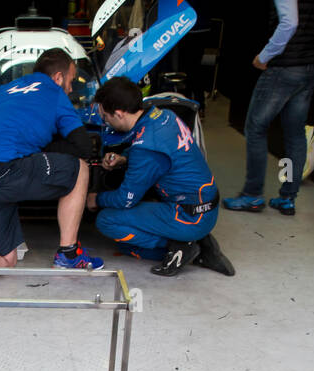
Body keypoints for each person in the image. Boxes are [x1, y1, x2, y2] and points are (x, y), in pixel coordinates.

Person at [0, 48, 102, 273]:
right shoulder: (54, 93)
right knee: (81, 168)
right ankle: (69, 254)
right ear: (58, 77)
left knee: (6, 260)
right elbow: (83, 147)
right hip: (5, 169)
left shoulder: (4, 90)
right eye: (71, 80)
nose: (71, 88)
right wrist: (40, 144)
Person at [86, 77, 234, 278]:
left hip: (189, 217)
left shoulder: (146, 150)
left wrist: (97, 198)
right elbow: (155, 149)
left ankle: (182, 247)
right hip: (203, 205)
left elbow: (125, 199)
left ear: (119, 114)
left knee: (107, 221)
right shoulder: (163, 115)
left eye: (105, 117)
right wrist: (123, 158)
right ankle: (192, 240)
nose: (105, 122)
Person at [222, 0, 314, 217]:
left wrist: (265, 56)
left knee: (255, 129)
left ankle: (252, 195)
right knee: (295, 134)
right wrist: (303, 49)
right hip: (309, 69)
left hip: (283, 69)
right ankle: (287, 198)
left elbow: (289, 23)